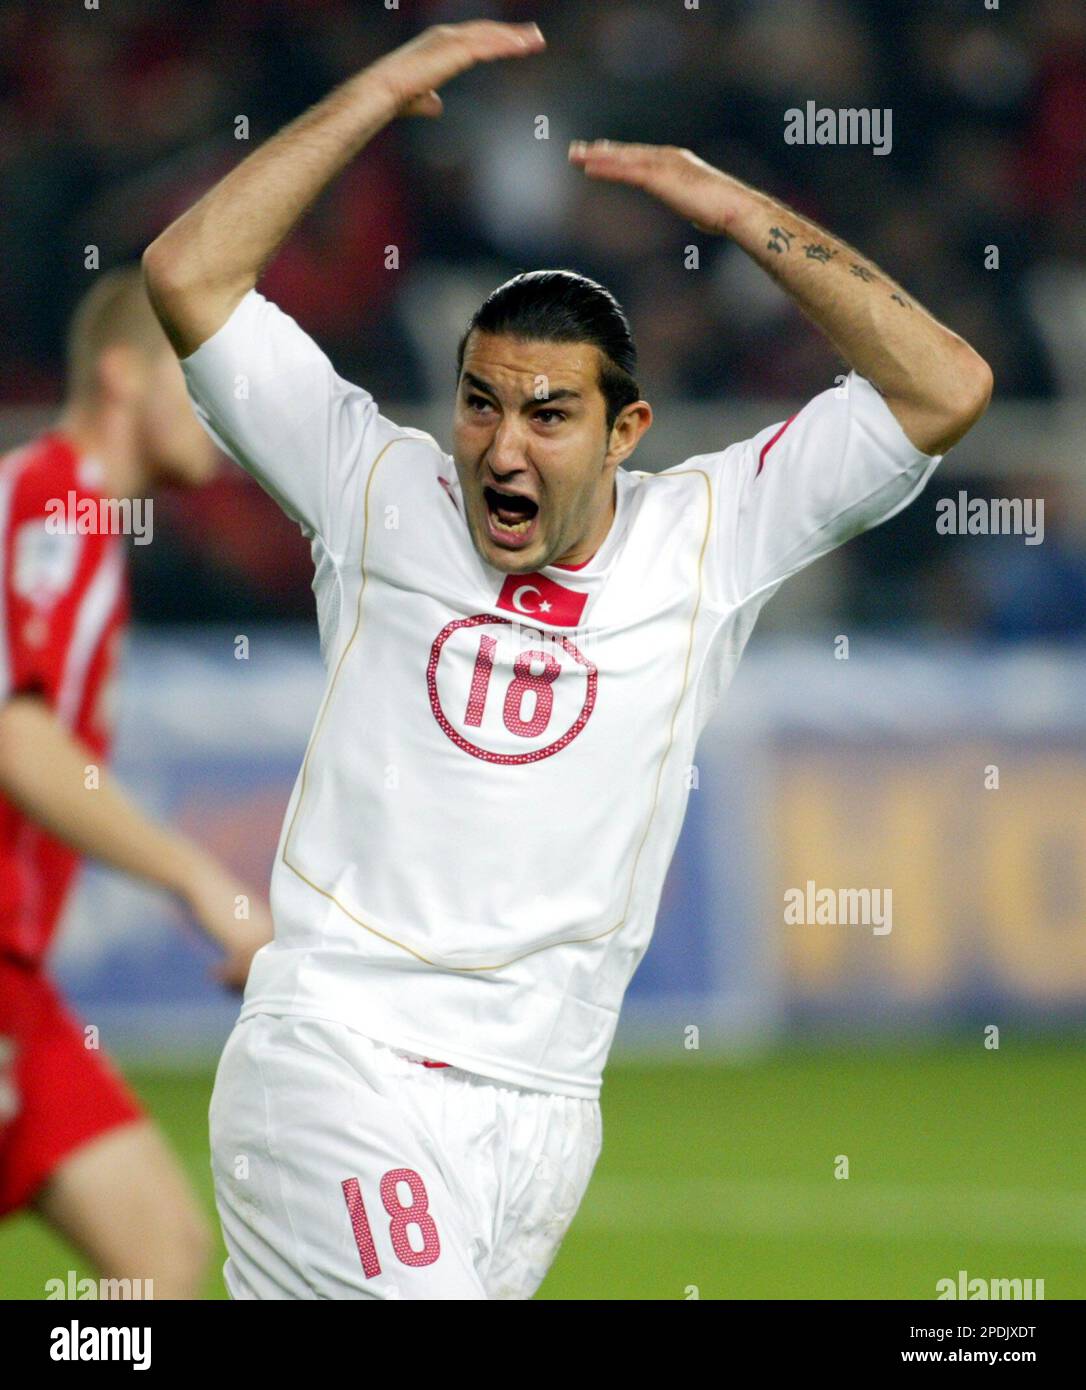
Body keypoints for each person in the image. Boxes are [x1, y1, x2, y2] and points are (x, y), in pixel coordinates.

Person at [142, 19, 993, 1300]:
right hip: (341, 1059)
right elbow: (189, 276)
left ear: (626, 430)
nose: (502, 447)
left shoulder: (707, 531)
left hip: (546, 1111)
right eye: (482, 401)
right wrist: (365, 97)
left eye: (549, 415)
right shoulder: (372, 484)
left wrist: (739, 211)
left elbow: (943, 386)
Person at [0, 266, 273, 1298]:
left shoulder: (75, 520)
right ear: (122, 376)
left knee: (158, 1255)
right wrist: (204, 883)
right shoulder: (56, 499)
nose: (213, 405)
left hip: (16, 977)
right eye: (187, 374)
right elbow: (19, 739)